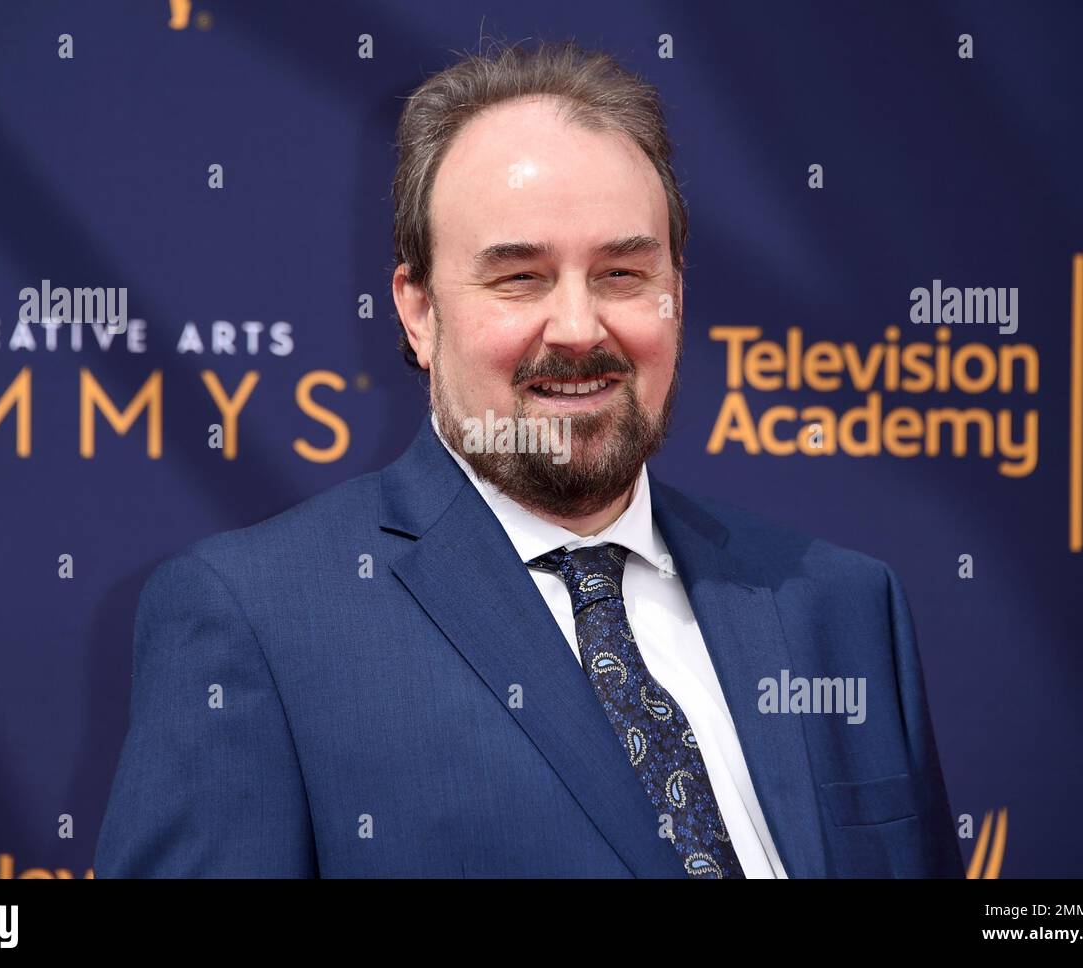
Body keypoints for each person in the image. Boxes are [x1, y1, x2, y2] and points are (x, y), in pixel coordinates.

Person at [95, 39, 963, 878]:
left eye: (624, 272)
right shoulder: (260, 622)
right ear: (419, 310)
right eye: (520, 278)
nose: (581, 328)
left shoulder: (842, 605)